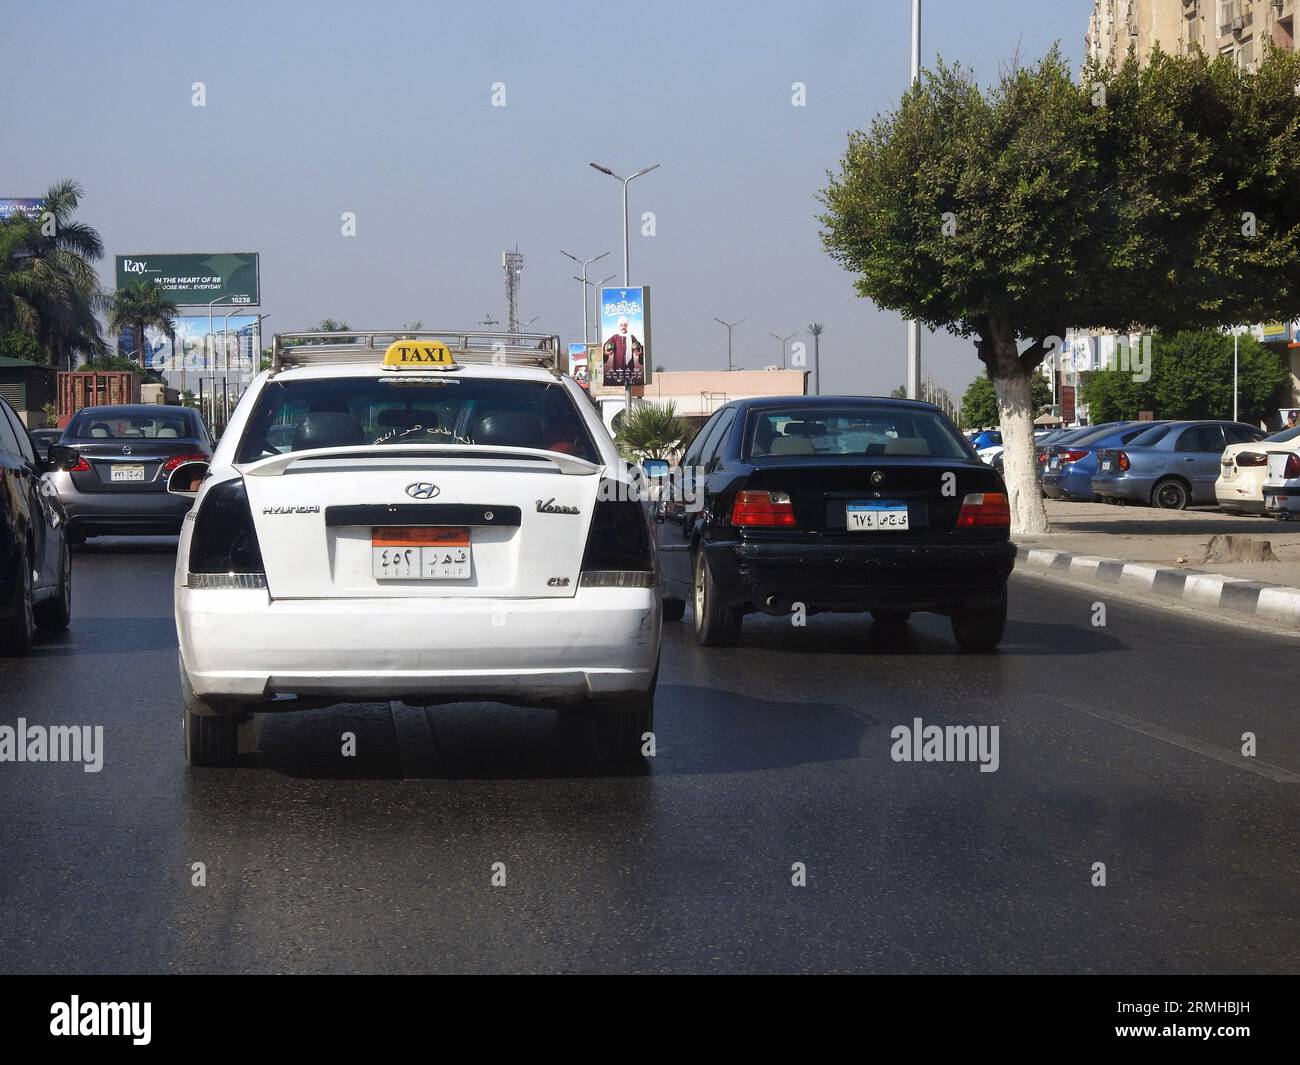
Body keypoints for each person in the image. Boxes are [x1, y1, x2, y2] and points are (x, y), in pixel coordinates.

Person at [602, 317, 643, 382]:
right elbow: (605, 347)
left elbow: (640, 349)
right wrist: (605, 353)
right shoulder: (614, 337)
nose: (623, 327)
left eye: (625, 325)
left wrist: (640, 354)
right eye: (621, 325)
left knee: (629, 384)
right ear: (619, 326)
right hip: (618, 369)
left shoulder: (632, 337)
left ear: (627, 326)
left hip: (629, 369)